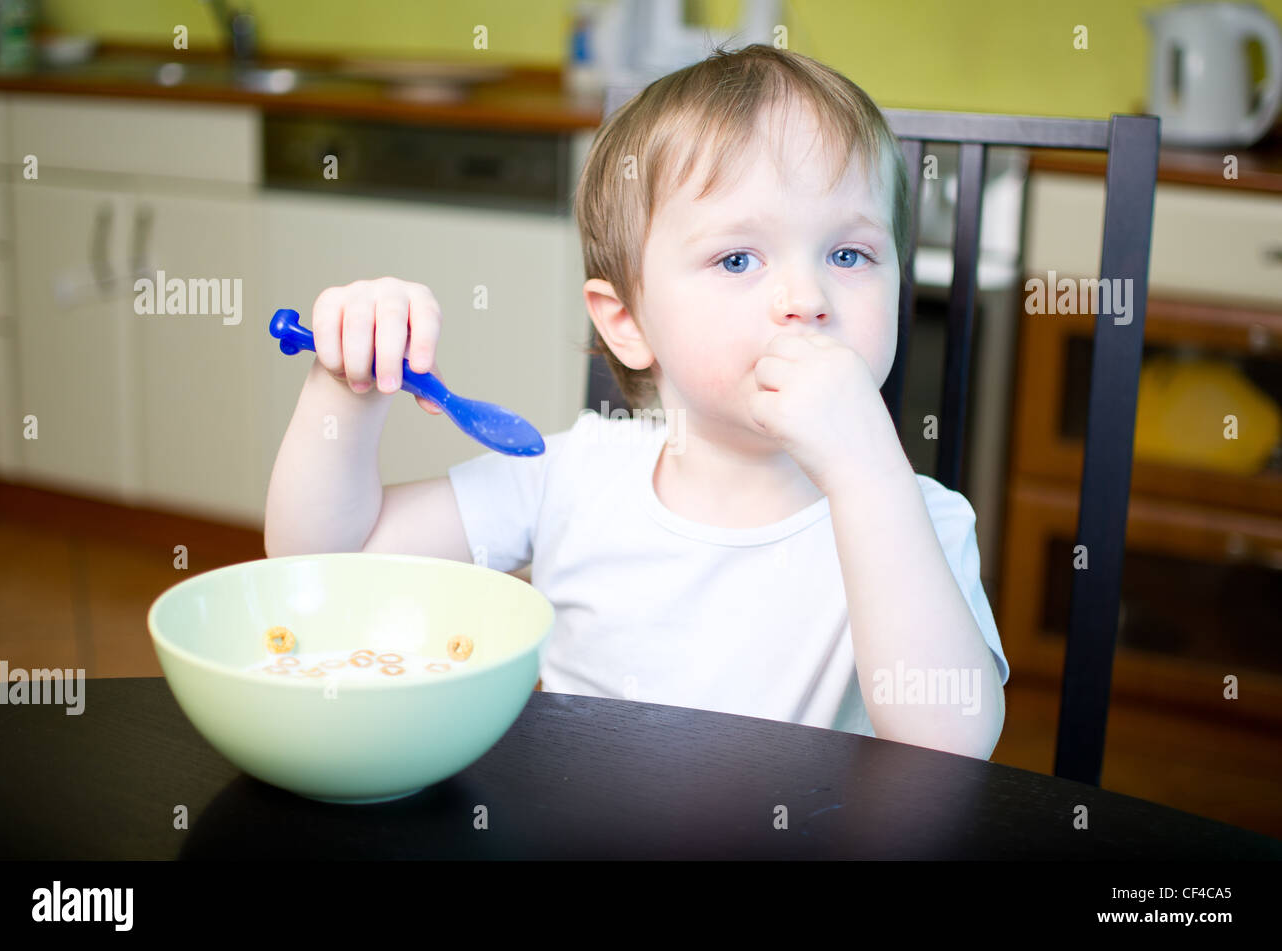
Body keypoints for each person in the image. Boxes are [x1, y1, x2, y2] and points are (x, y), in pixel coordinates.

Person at [265, 44, 1009, 759]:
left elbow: (948, 746)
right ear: (626, 321)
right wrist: (346, 385)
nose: (807, 299)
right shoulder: (569, 475)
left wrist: (870, 473)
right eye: (738, 258)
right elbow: (327, 559)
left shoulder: (916, 522)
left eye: (850, 255)